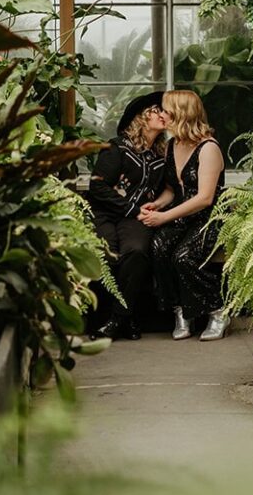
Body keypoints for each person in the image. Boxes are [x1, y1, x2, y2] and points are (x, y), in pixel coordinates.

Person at [138, 88, 228, 341]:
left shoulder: (209, 148)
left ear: (180, 114)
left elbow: (204, 198)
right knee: (158, 246)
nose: (161, 114)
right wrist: (156, 205)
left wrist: (164, 217)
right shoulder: (172, 145)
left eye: (165, 110)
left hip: (208, 217)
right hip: (181, 216)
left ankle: (218, 310)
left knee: (183, 257)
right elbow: (171, 190)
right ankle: (181, 311)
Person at [88, 91, 169, 340]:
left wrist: (153, 206)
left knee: (136, 252)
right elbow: (97, 187)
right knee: (106, 254)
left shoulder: (162, 155)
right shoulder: (117, 148)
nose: (163, 115)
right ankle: (128, 318)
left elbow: (170, 189)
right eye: (157, 111)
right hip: (108, 214)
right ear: (141, 118)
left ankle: (117, 319)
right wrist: (133, 208)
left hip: (137, 219)